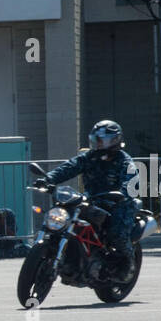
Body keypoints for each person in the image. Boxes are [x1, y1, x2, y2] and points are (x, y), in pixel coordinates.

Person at [34, 119, 137, 282]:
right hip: (93, 199)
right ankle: (72, 257)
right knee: (67, 219)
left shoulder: (125, 161)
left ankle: (127, 263)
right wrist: (48, 179)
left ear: (114, 141)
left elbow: (131, 182)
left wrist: (122, 193)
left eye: (101, 140)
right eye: (95, 139)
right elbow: (69, 167)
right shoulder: (89, 157)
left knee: (116, 234)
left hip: (119, 203)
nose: (96, 143)